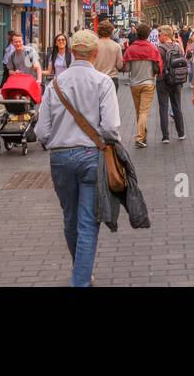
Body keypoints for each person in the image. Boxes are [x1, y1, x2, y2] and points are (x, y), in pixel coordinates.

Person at [35, 28, 120, 288]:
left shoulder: (55, 84)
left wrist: (57, 141)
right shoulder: (103, 82)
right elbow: (111, 127)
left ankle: (80, 272)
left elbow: (41, 131)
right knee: (87, 222)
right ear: (95, 53)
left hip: (60, 158)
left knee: (70, 218)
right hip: (91, 156)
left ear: (72, 51)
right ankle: (81, 279)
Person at [121, 24, 162, 148]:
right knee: (144, 112)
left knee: (138, 112)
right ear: (148, 34)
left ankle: (142, 136)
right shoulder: (153, 48)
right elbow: (158, 67)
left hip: (134, 84)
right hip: (148, 82)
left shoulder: (131, 49)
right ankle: (140, 137)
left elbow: (126, 68)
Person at [153, 24, 189, 144]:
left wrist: (156, 74)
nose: (158, 37)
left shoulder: (159, 49)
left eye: (160, 35)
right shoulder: (177, 46)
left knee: (163, 107)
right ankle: (181, 132)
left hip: (163, 80)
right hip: (176, 80)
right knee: (177, 106)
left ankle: (166, 136)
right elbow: (182, 59)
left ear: (165, 35)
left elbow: (156, 65)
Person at [92, 21, 125, 97]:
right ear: (111, 31)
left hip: (96, 79)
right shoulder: (116, 46)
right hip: (112, 79)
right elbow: (120, 66)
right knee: (110, 106)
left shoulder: (94, 45)